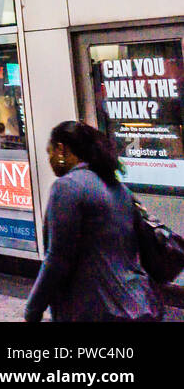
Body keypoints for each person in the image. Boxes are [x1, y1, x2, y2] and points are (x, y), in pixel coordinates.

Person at [24, 121, 161, 323]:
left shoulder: (67, 187)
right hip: (137, 302)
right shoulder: (119, 187)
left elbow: (58, 259)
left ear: (61, 149)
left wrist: (33, 309)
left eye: (50, 152)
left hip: (94, 308)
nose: (49, 159)